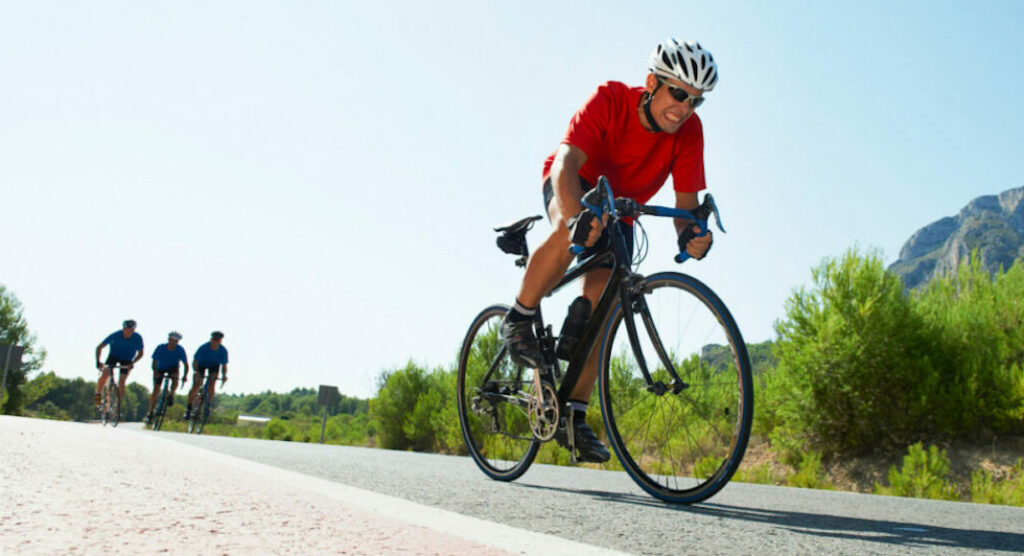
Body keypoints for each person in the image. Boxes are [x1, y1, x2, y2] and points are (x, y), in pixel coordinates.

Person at [501, 38, 718, 463]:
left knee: (606, 305)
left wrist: (691, 235)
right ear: (652, 83)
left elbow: (686, 207)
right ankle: (519, 319)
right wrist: (574, 217)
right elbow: (565, 161)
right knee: (569, 231)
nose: (685, 108)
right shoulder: (610, 99)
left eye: (696, 100)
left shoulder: (690, 132)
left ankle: (574, 414)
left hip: (621, 210)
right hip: (575, 183)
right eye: (678, 93)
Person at [94, 319, 145, 407]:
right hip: (113, 356)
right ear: (123, 329)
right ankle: (98, 394)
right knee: (105, 375)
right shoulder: (116, 335)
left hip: (127, 360)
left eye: (131, 330)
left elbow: (141, 353)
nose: (128, 332)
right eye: (126, 329)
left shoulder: (137, 338)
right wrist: (98, 362)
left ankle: (117, 407)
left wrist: (133, 362)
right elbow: (99, 347)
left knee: (122, 381)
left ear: (133, 330)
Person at [146, 331, 188, 424]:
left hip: (173, 368)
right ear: (169, 340)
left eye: (176, 341)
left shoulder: (180, 349)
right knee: (156, 390)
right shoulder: (160, 347)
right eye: (172, 340)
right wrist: (155, 372)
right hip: (160, 368)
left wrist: (185, 376)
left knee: (175, 378)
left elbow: (186, 364)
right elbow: (154, 361)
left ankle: (171, 394)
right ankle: (150, 412)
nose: (174, 343)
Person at [185, 330, 228, 420]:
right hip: (201, 365)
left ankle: (207, 405)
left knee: (212, 384)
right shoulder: (203, 347)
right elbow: (195, 361)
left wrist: (224, 376)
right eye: (214, 340)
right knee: (197, 384)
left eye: (218, 340)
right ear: (211, 339)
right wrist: (196, 372)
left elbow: (224, 366)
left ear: (220, 341)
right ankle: (189, 408)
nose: (215, 342)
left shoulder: (223, 351)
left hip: (214, 367)